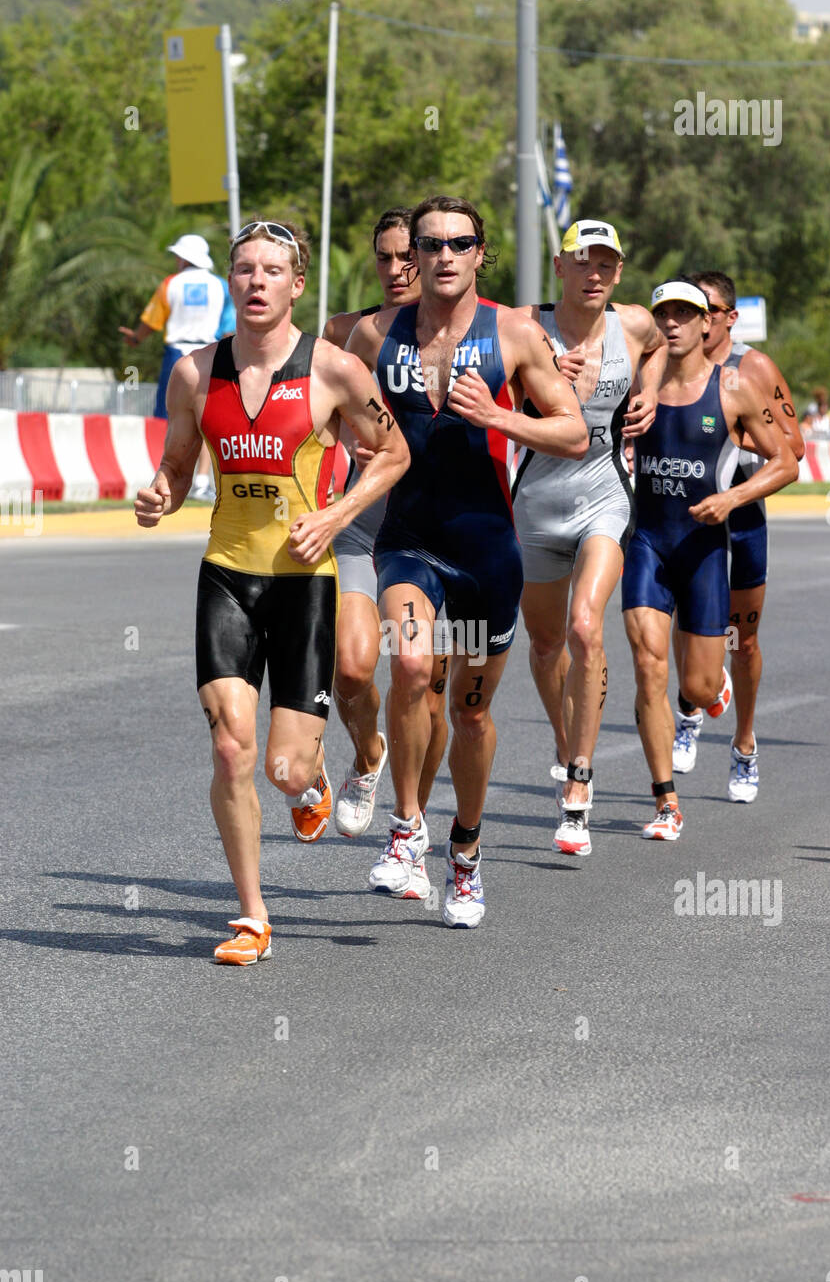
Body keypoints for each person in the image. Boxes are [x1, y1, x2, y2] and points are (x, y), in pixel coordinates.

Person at [133, 219, 410, 965]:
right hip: (227, 573)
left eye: (271, 270)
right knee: (230, 748)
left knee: (283, 770)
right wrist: (161, 493)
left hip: (303, 583)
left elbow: (394, 453)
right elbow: (180, 466)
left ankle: (315, 774)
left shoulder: (333, 371)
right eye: (244, 269)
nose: (256, 281)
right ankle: (252, 917)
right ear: (232, 281)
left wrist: (338, 513)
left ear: (296, 284)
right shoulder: (194, 374)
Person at [347, 195, 587, 926]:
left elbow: (574, 432)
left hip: (486, 548)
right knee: (412, 667)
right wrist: (344, 444)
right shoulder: (371, 335)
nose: (444, 255)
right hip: (409, 541)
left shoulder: (511, 333)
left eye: (459, 243)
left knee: (472, 715)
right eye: (430, 243)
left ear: (480, 254)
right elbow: (325, 403)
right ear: (410, 255)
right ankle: (405, 827)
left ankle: (468, 852)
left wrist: (498, 417)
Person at [512, 219, 667, 855]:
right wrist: (532, 379)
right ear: (559, 265)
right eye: (583, 262)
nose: (595, 274)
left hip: (604, 495)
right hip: (536, 502)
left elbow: (659, 346)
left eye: (606, 264)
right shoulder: (523, 325)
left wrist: (650, 390)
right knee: (547, 644)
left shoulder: (632, 324)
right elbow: (479, 374)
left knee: (584, 627)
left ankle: (579, 776)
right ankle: (563, 734)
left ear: (620, 272)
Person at [622, 281, 798, 839]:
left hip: (704, 545)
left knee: (697, 687)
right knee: (649, 665)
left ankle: (716, 702)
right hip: (646, 540)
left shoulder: (737, 385)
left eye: (686, 314)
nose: (673, 322)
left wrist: (731, 498)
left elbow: (788, 460)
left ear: (710, 324)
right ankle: (665, 803)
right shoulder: (638, 376)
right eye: (665, 313)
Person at [324, 208, 450, 859]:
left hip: (439, 530)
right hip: (362, 520)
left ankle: (411, 820)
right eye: (386, 257)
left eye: (412, 255)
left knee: (425, 688)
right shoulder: (343, 334)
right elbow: (314, 423)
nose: (398, 269)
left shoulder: (459, 333)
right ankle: (369, 753)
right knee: (351, 668)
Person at [670, 271, 804, 803]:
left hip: (741, 505)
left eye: (712, 311)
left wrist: (731, 426)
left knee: (741, 639)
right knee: (687, 624)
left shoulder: (752, 368)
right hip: (683, 507)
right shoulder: (667, 358)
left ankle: (744, 745)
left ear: (728, 317)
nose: (700, 323)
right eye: (692, 310)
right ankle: (688, 708)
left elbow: (793, 447)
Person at [120, 233, 235, 501]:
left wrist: (136, 338)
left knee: (176, 418)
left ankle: (171, 478)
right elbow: (229, 329)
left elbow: (152, 320)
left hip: (177, 356)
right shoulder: (221, 286)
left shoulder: (170, 284)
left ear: (184, 258)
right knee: (210, 419)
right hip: (211, 353)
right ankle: (202, 482)